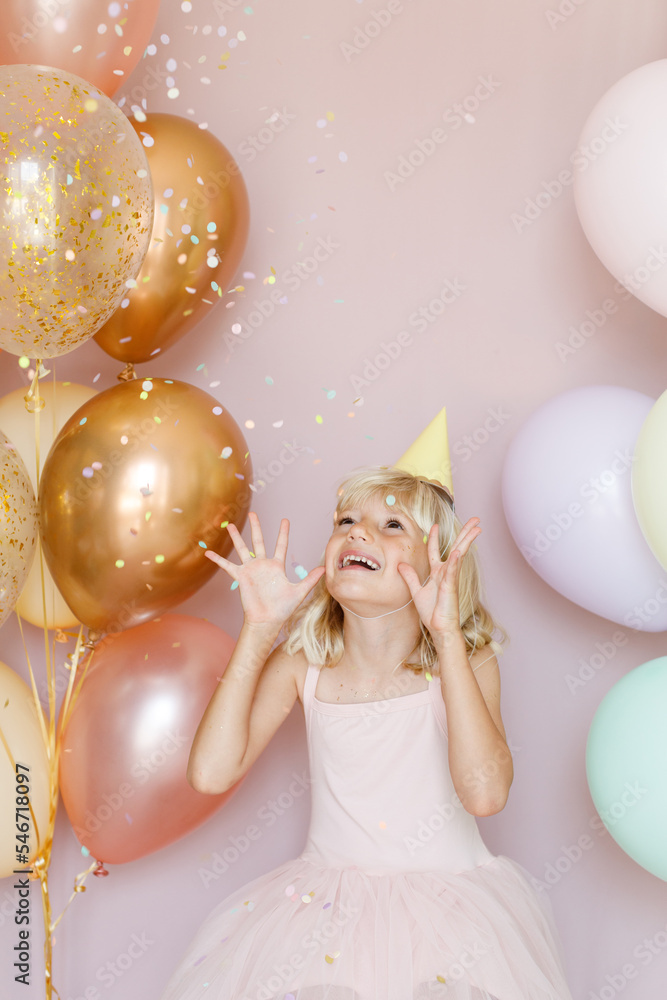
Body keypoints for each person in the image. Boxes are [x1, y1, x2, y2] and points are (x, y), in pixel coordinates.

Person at [158, 465, 574, 1000]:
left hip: (450, 919)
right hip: (325, 912)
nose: (357, 532)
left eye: (393, 525)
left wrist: (446, 639)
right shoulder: (302, 664)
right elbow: (211, 774)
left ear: (437, 564)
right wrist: (259, 632)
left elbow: (486, 794)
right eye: (346, 520)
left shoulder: (466, 662)